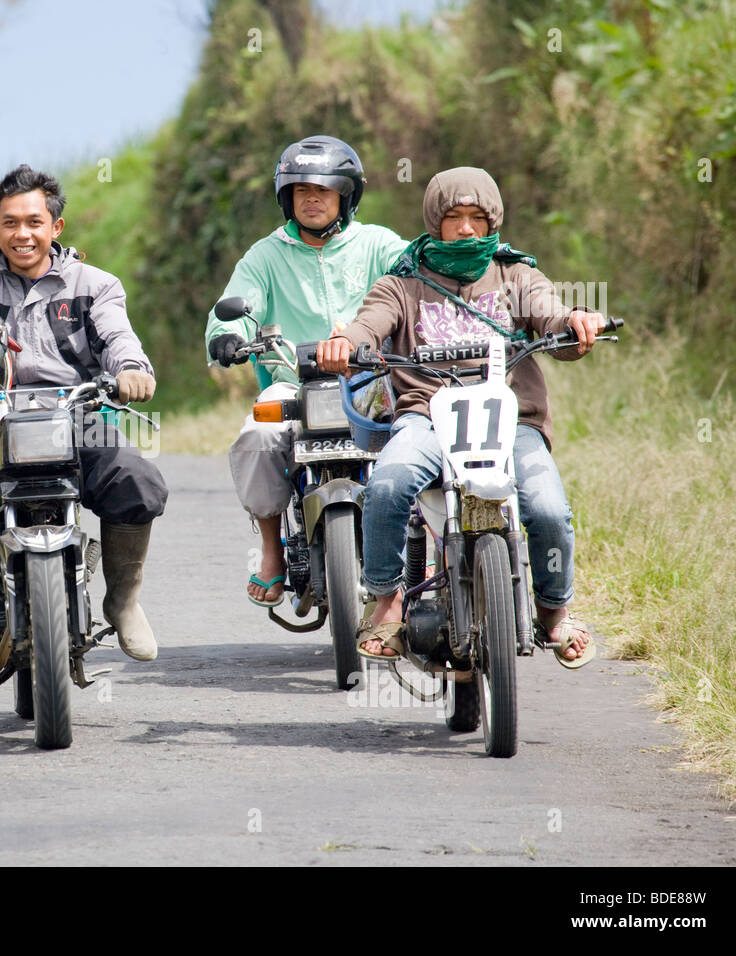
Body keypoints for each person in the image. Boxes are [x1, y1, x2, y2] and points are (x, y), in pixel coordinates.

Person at [318, 166, 602, 668]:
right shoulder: (401, 284)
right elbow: (368, 326)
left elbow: (551, 315)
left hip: (510, 421)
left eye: (477, 217)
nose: (467, 228)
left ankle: (554, 613)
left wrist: (573, 323)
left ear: (492, 222)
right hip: (426, 417)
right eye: (455, 218)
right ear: (435, 221)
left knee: (549, 510)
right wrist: (347, 344)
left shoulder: (516, 276)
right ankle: (386, 603)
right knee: (387, 484)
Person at [0, 165, 168, 672]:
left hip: (76, 416)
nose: (23, 233)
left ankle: (123, 601)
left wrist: (131, 370)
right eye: (11, 222)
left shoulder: (97, 284)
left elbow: (118, 339)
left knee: (138, 478)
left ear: (55, 227)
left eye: (35, 222)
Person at [203, 135, 406, 606]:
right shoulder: (265, 256)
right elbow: (228, 307)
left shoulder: (378, 244)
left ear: (346, 195)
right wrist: (224, 337)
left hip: (372, 384)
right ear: (286, 198)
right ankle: (271, 550)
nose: (311, 198)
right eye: (300, 190)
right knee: (256, 435)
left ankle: (424, 549)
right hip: (293, 386)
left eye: (323, 189)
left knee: (419, 434)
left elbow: (415, 279)